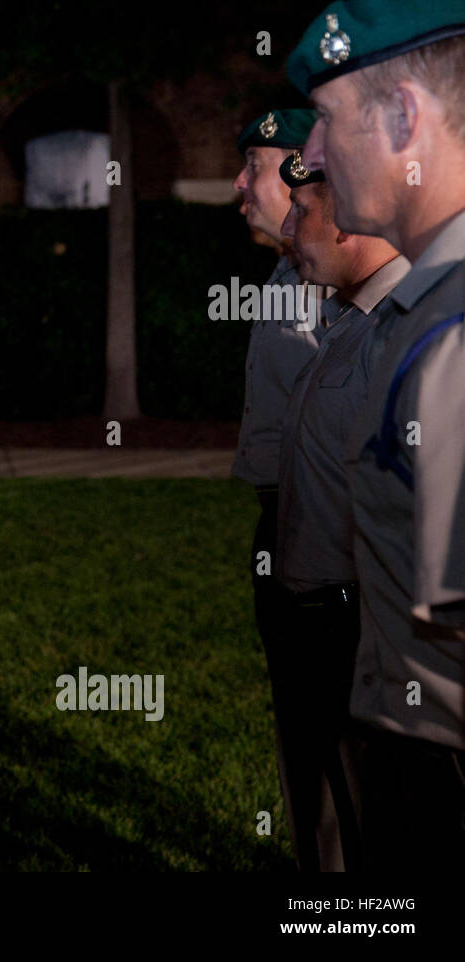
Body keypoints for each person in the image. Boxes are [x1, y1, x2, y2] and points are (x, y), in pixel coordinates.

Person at [289, 0, 465, 868]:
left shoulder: (455, 330)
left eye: (326, 120)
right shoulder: (423, 308)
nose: (311, 157)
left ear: (403, 118)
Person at [274, 149, 409, 871]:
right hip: (324, 620)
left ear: (353, 218)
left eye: (304, 211)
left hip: (364, 630)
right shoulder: (350, 324)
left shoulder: (401, 332)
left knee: (385, 832)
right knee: (341, 825)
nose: (289, 227)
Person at [230, 110, 322, 770]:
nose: (238, 184)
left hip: (327, 535)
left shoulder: (332, 281)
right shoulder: (286, 276)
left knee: (335, 731)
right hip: (284, 521)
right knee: (301, 727)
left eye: (253, 167)